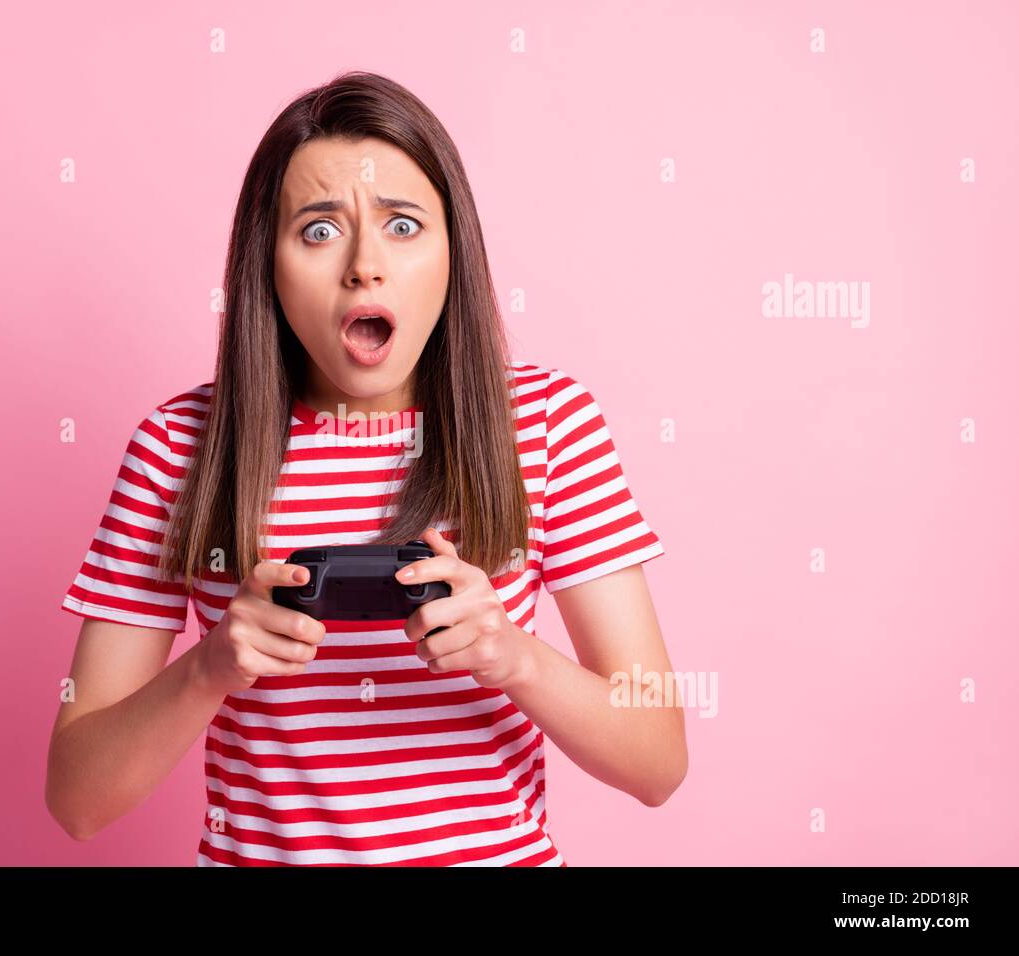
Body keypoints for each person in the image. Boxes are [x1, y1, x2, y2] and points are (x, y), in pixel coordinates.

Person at [45, 71, 686, 866]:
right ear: (266, 267)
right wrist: (209, 668)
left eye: (404, 225)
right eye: (318, 230)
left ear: (454, 250)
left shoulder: (547, 425)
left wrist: (516, 657)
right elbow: (76, 801)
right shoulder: (180, 449)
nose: (364, 267)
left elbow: (658, 762)